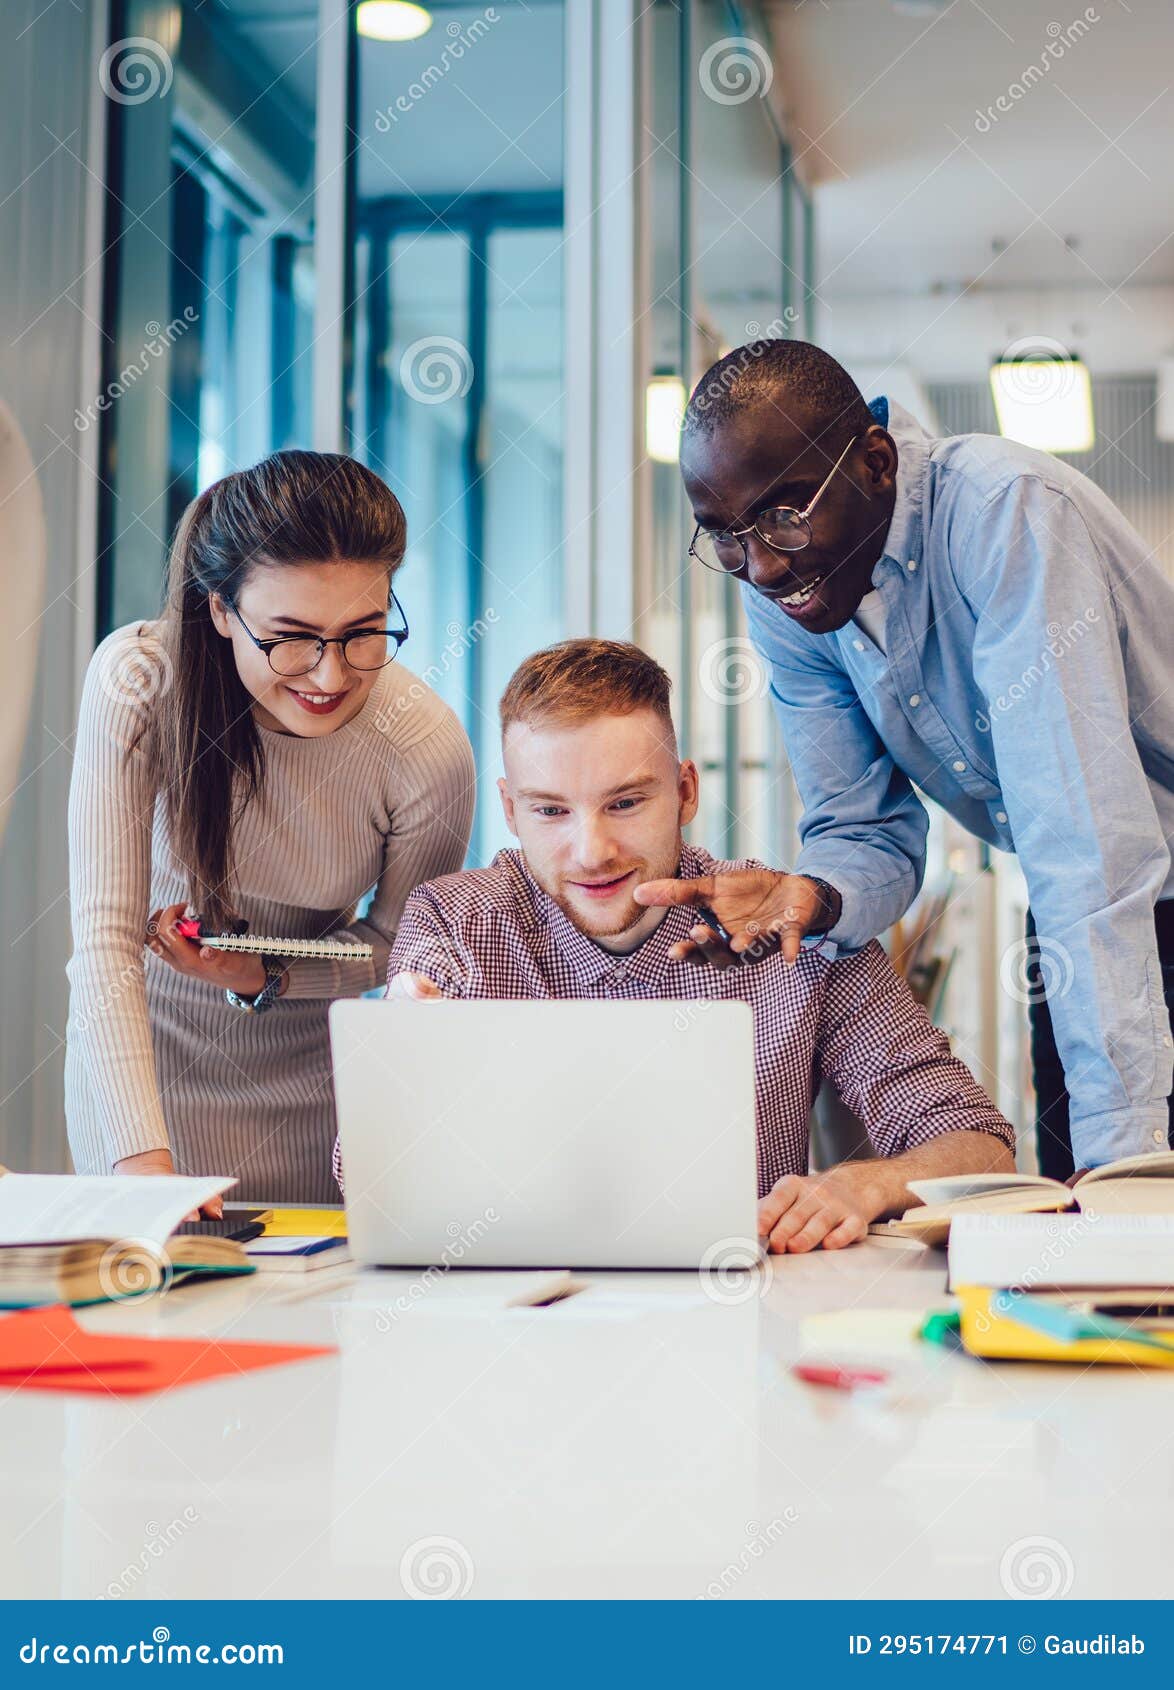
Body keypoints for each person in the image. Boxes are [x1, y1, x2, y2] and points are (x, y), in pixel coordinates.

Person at [662, 337, 1174, 1179]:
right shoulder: (788, 593)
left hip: (1108, 882)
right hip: (1084, 909)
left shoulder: (1005, 513)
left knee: (1124, 1181)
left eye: (784, 515)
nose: (761, 566)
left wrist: (1125, 1164)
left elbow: (1081, 844)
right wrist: (816, 895)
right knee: (1081, 1210)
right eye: (725, 537)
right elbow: (863, 828)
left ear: (875, 462)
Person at [333, 640, 1015, 1252]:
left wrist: (865, 1184)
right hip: (506, 1314)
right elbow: (368, 1177)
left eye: (625, 803)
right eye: (550, 810)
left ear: (685, 792)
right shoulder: (453, 921)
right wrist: (405, 1076)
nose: (592, 852)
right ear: (511, 810)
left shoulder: (786, 923)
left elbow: (983, 1149)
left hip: (741, 1309)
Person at [66, 450, 475, 1203]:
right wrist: (143, 1171)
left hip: (318, 1088)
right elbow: (103, 944)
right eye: (289, 637)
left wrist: (267, 976)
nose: (330, 676)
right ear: (221, 610)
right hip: (143, 1083)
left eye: (364, 631)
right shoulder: (139, 682)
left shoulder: (423, 747)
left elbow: (395, 950)